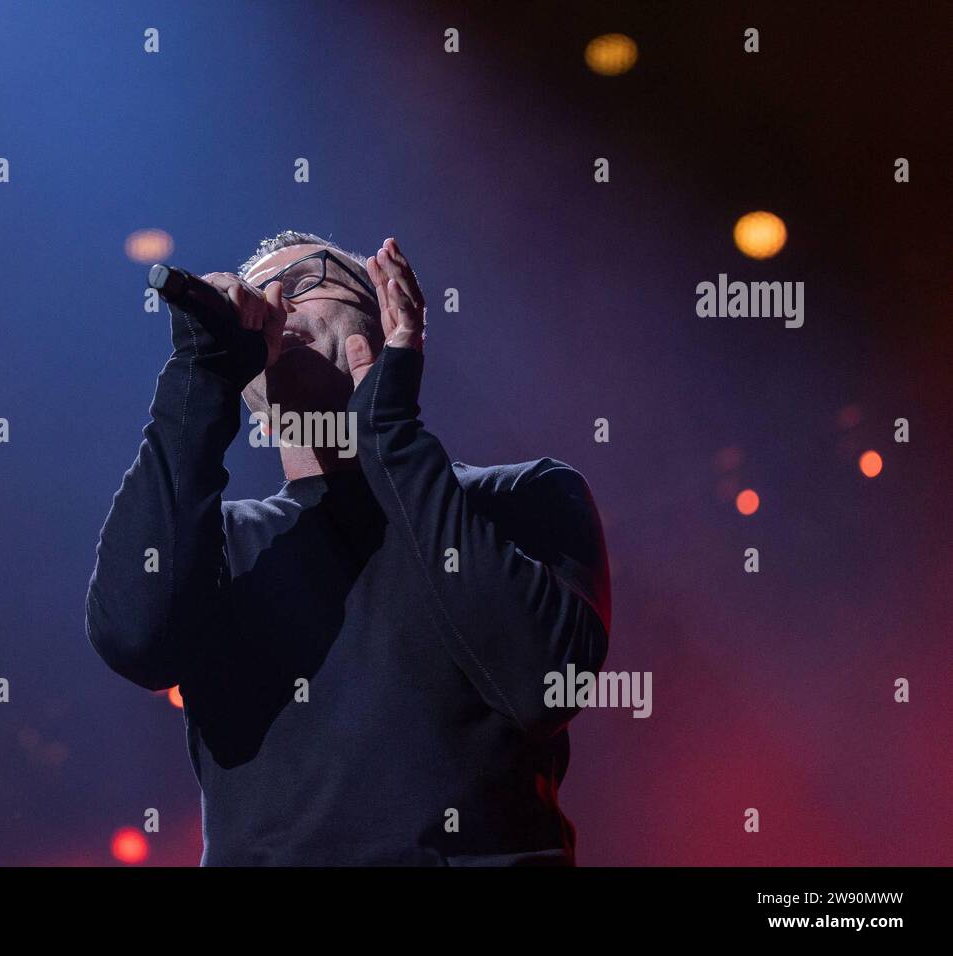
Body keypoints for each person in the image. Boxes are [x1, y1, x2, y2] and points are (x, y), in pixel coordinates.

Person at [86, 230, 611, 865]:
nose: (276, 305)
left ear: (387, 310)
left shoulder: (521, 496)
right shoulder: (224, 542)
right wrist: (201, 375)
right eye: (259, 296)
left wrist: (389, 433)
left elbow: (544, 685)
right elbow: (136, 640)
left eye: (304, 281)